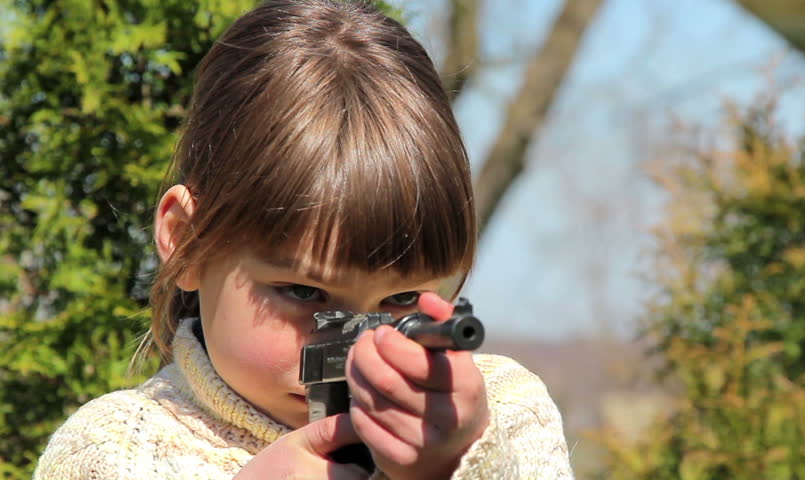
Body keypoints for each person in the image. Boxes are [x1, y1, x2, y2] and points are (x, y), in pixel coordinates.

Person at [34, 1, 573, 478]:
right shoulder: (112, 454)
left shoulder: (501, 415)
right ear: (188, 241)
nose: (353, 349)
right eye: (305, 292)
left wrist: (460, 464)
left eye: (401, 302)